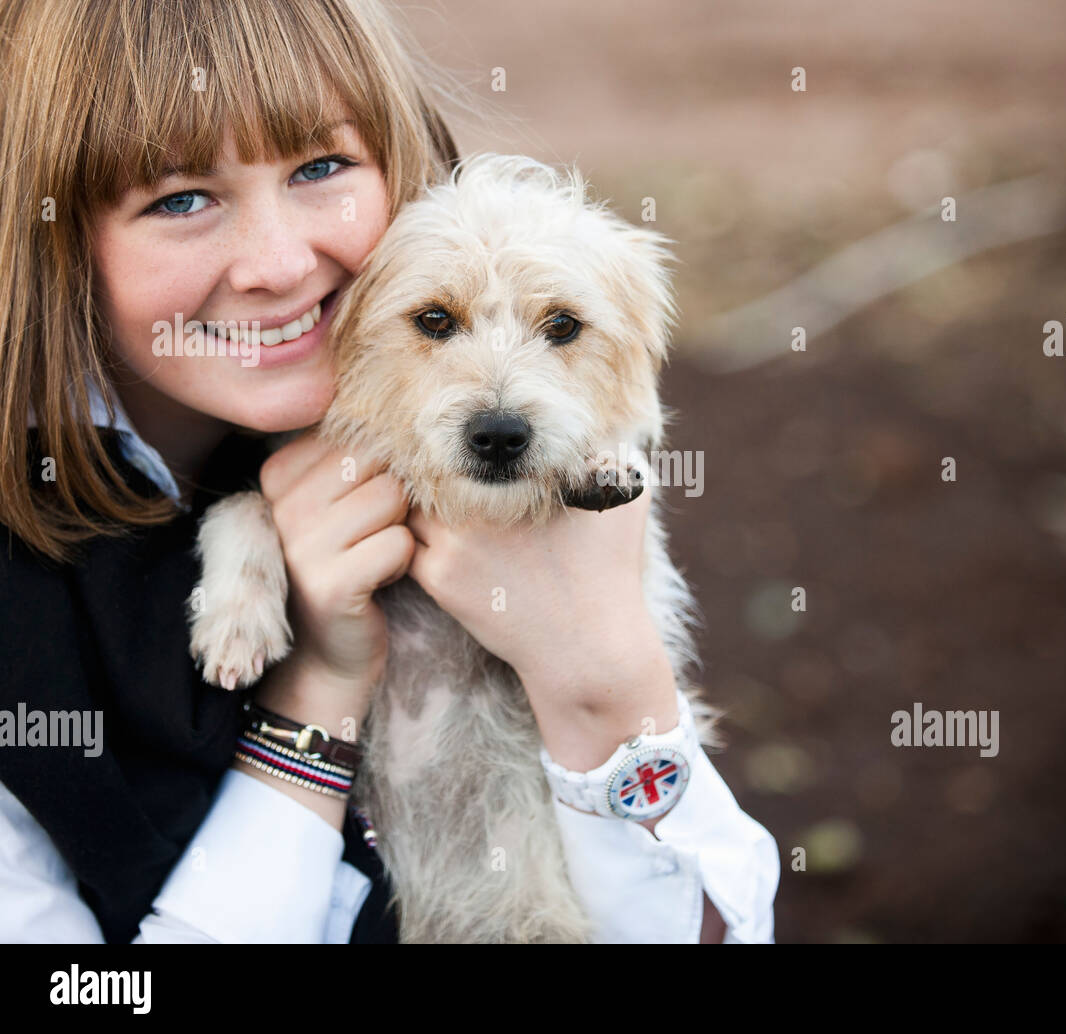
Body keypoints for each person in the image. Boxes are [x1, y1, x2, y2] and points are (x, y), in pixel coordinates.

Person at [0, 0, 779, 943]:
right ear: (48, 229)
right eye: (180, 197)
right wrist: (316, 697)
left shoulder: (453, 431)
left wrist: (606, 679)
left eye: (321, 167)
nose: (281, 264)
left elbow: (706, 930)